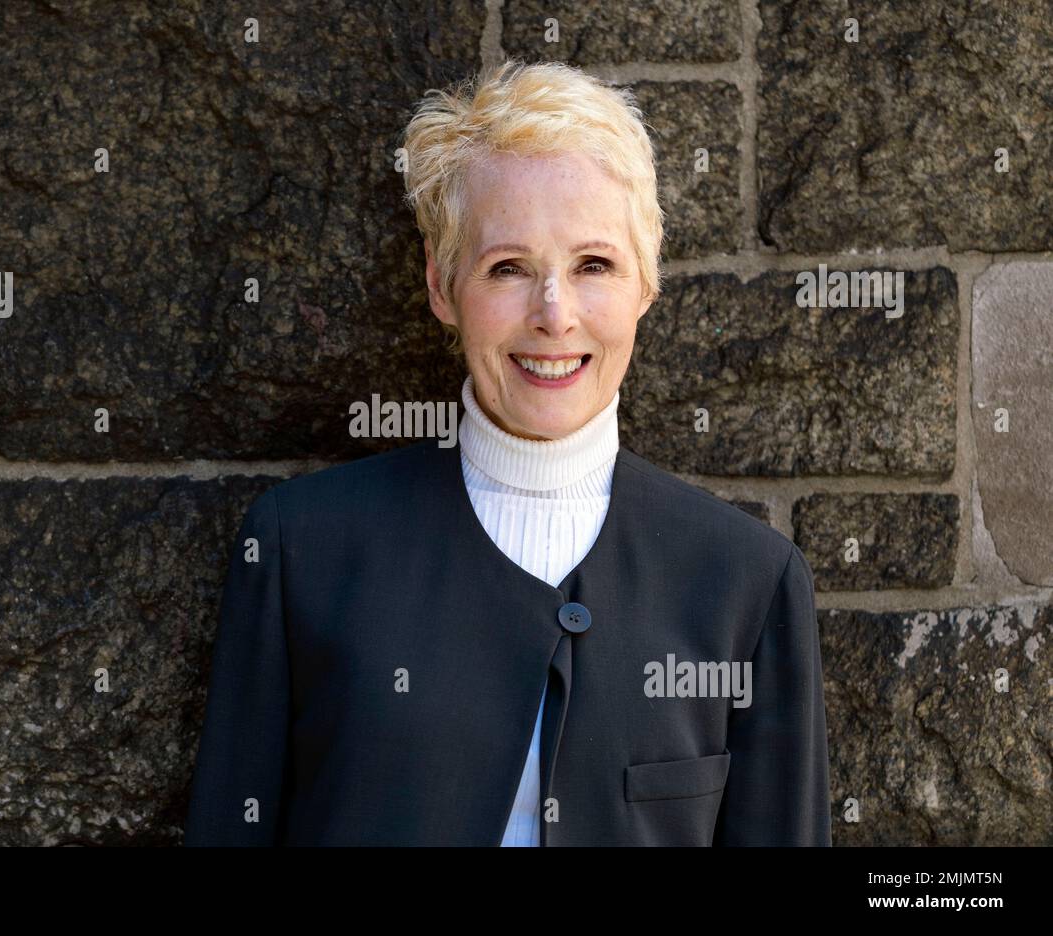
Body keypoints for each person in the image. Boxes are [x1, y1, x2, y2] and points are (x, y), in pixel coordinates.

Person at [183, 58, 831, 846]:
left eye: (594, 265)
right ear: (441, 286)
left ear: (646, 286)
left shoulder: (746, 582)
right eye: (509, 268)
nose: (553, 315)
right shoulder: (300, 550)